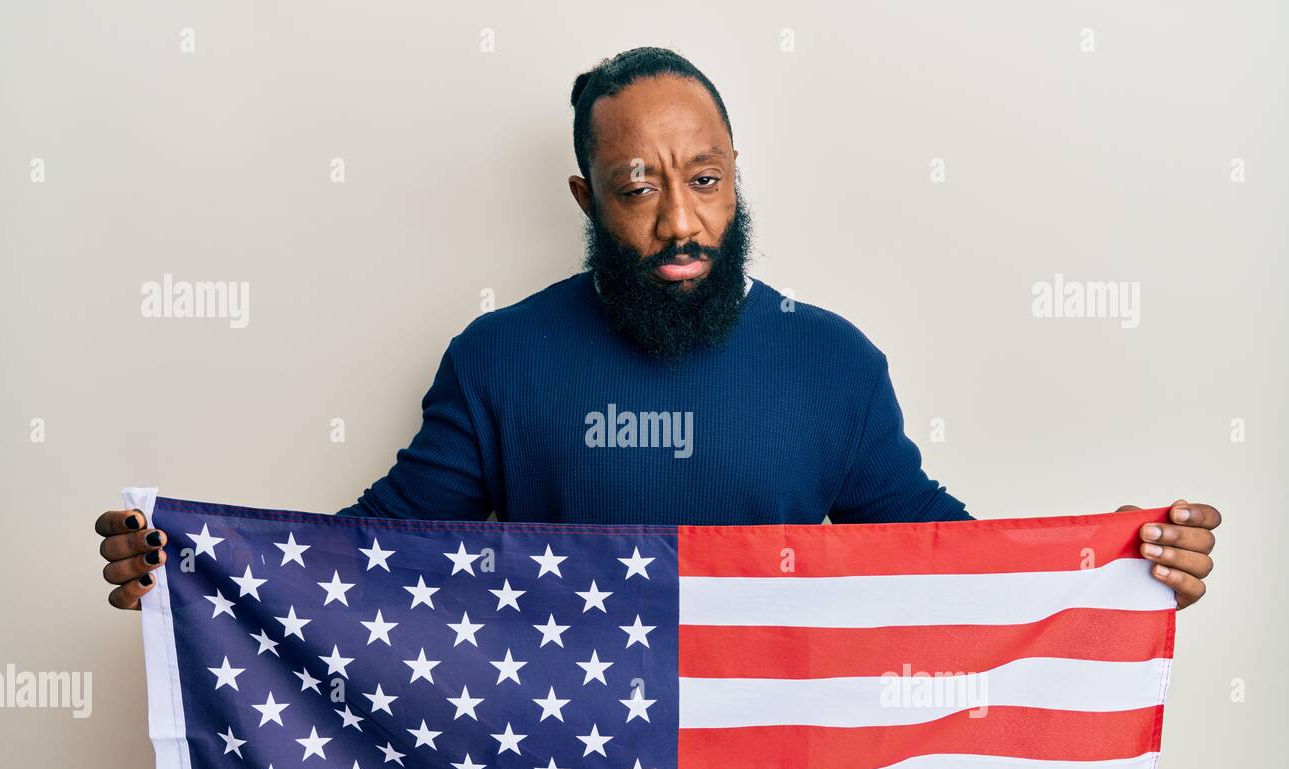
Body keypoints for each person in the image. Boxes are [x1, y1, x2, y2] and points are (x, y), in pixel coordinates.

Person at [95, 47, 1220, 611]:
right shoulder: (498, 361)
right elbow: (371, 560)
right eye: (638, 185)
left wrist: (1114, 557)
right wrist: (188, 572)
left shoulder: (831, 361)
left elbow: (946, 561)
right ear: (587, 199)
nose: (680, 218)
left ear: (737, 178)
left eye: (704, 177)